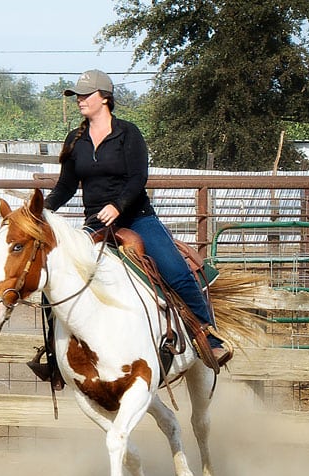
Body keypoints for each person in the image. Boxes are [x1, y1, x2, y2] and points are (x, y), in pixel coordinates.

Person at [44, 69, 231, 366]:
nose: (80, 100)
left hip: (136, 218)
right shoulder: (75, 140)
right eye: (77, 95)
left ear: (104, 98)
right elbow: (66, 185)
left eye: (85, 95)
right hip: (95, 223)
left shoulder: (127, 134)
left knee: (175, 271)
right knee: (55, 274)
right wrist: (42, 210)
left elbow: (137, 178)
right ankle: (54, 358)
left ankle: (208, 336)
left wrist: (118, 206)